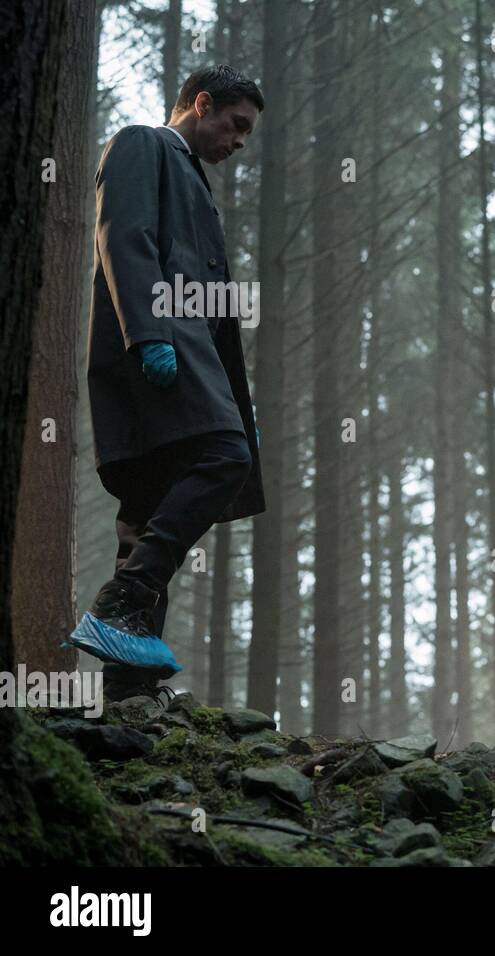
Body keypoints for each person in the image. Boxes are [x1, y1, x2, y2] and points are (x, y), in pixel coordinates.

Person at [66, 66, 267, 704]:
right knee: (225, 456)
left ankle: (129, 686)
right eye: (236, 125)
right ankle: (117, 604)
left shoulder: (194, 179)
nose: (239, 142)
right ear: (201, 103)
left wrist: (237, 397)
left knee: (148, 507)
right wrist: (147, 335)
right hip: (157, 346)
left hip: (189, 357)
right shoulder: (141, 144)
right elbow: (123, 237)